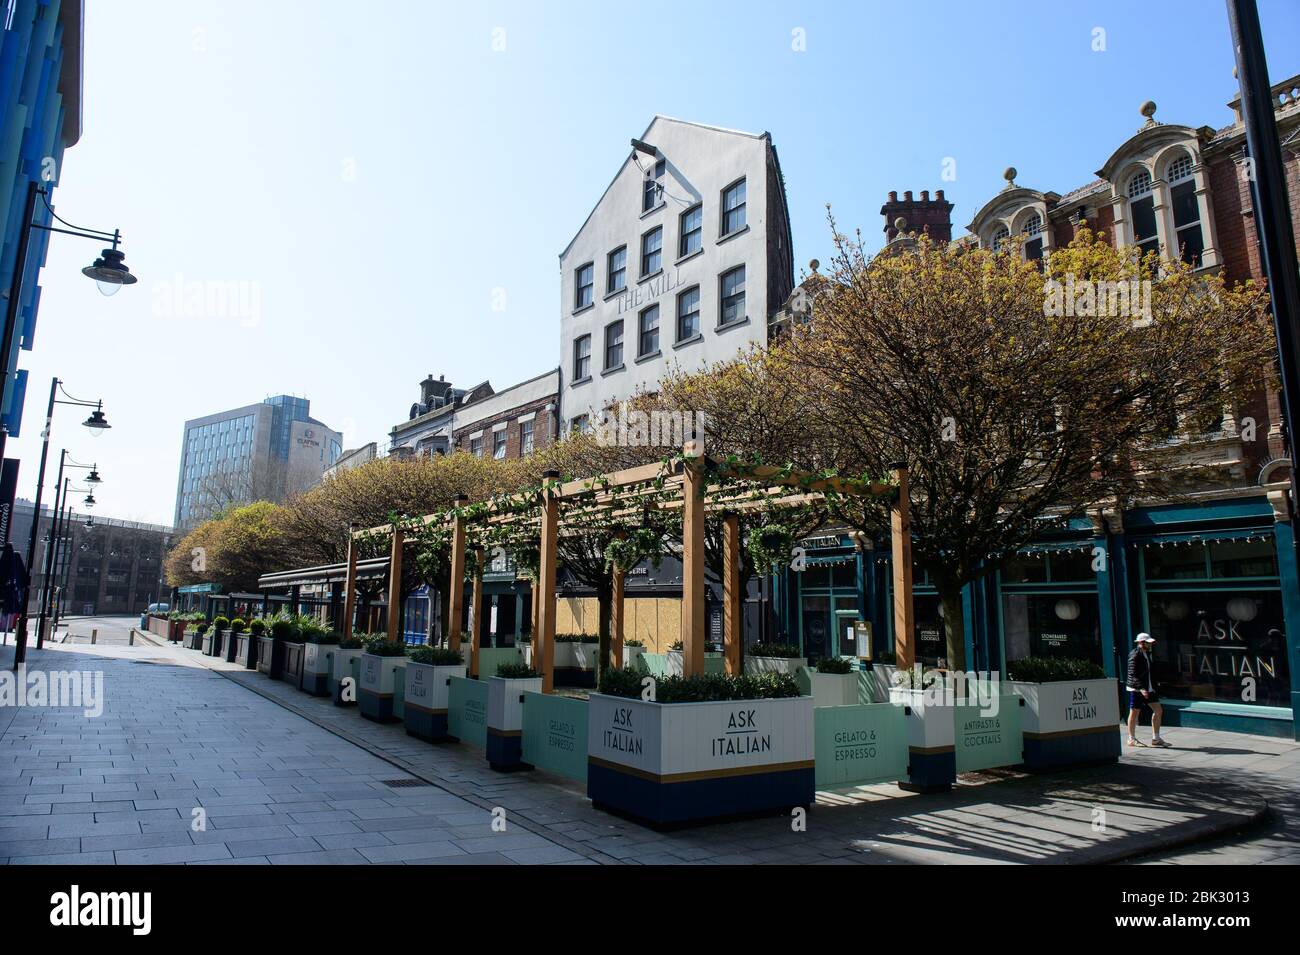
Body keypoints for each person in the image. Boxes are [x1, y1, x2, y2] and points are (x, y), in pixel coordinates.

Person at [1126, 633, 1170, 748]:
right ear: (1141, 643)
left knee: (1158, 710)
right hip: (1137, 689)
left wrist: (1153, 687)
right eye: (1148, 643)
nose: (1150, 645)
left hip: (1149, 689)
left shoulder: (1146, 654)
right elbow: (1132, 674)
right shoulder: (1134, 654)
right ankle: (1131, 738)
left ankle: (1156, 738)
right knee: (1134, 712)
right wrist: (1140, 688)